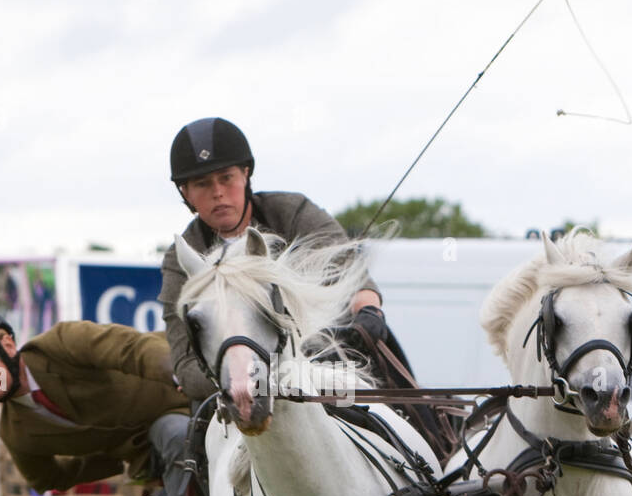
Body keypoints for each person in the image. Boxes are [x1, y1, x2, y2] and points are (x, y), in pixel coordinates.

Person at [159, 118, 451, 455]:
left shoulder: (292, 211)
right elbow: (186, 368)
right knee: (192, 448)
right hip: (232, 385)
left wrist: (368, 309)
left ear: (246, 175)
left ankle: (436, 455)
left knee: (388, 361)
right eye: (202, 183)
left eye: (226, 178)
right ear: (186, 193)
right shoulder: (180, 260)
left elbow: (350, 272)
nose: (218, 192)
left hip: (326, 356)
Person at [0, 302, 191, 496]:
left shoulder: (62, 342)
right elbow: (49, 479)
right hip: (160, 445)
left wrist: (182, 373)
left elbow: (131, 349)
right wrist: (115, 461)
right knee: (176, 434)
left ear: (6, 343)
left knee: (180, 434)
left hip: (194, 383)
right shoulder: (16, 435)